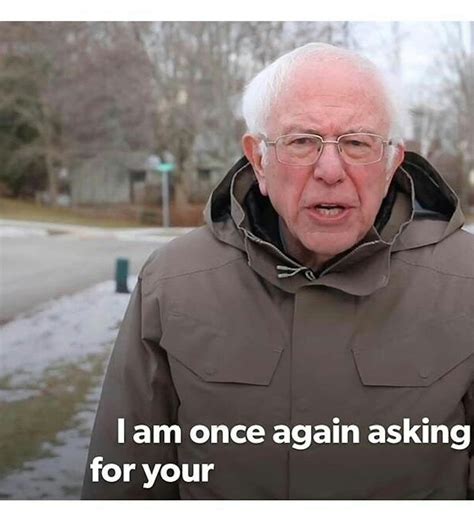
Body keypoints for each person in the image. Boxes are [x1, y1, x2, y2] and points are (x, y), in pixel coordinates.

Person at [82, 42, 474, 500]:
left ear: (391, 165)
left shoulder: (465, 282)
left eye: (357, 143)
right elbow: (125, 477)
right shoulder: (173, 282)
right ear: (259, 160)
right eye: (302, 141)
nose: (331, 169)